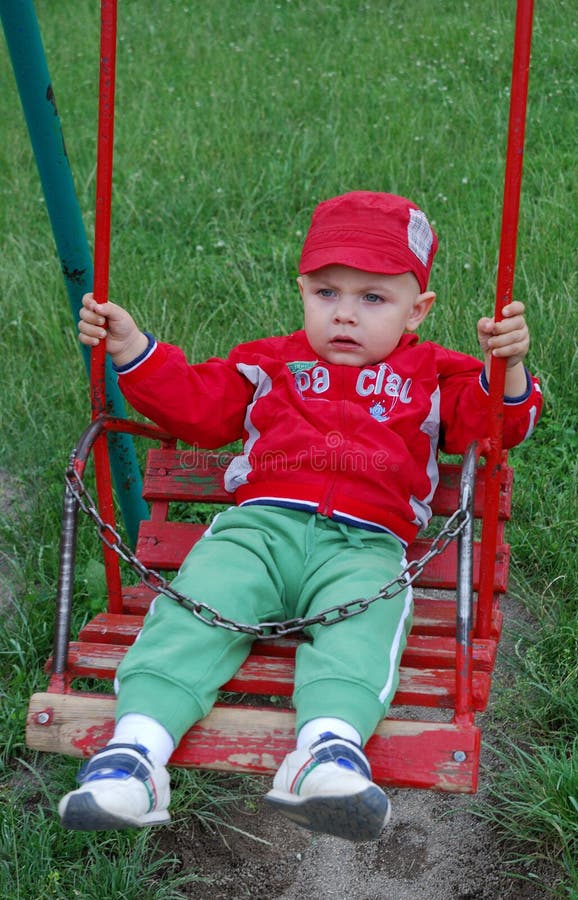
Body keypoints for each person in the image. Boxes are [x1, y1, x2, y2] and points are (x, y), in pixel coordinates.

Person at [58, 191, 542, 841]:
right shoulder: (270, 364)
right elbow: (196, 407)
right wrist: (134, 348)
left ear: (416, 310)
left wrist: (505, 369)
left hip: (364, 545)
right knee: (198, 601)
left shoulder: (433, 374)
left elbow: (495, 426)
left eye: (373, 298)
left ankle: (327, 754)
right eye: (326, 293)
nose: (345, 314)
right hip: (259, 531)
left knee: (365, 620)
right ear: (303, 292)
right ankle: (134, 756)